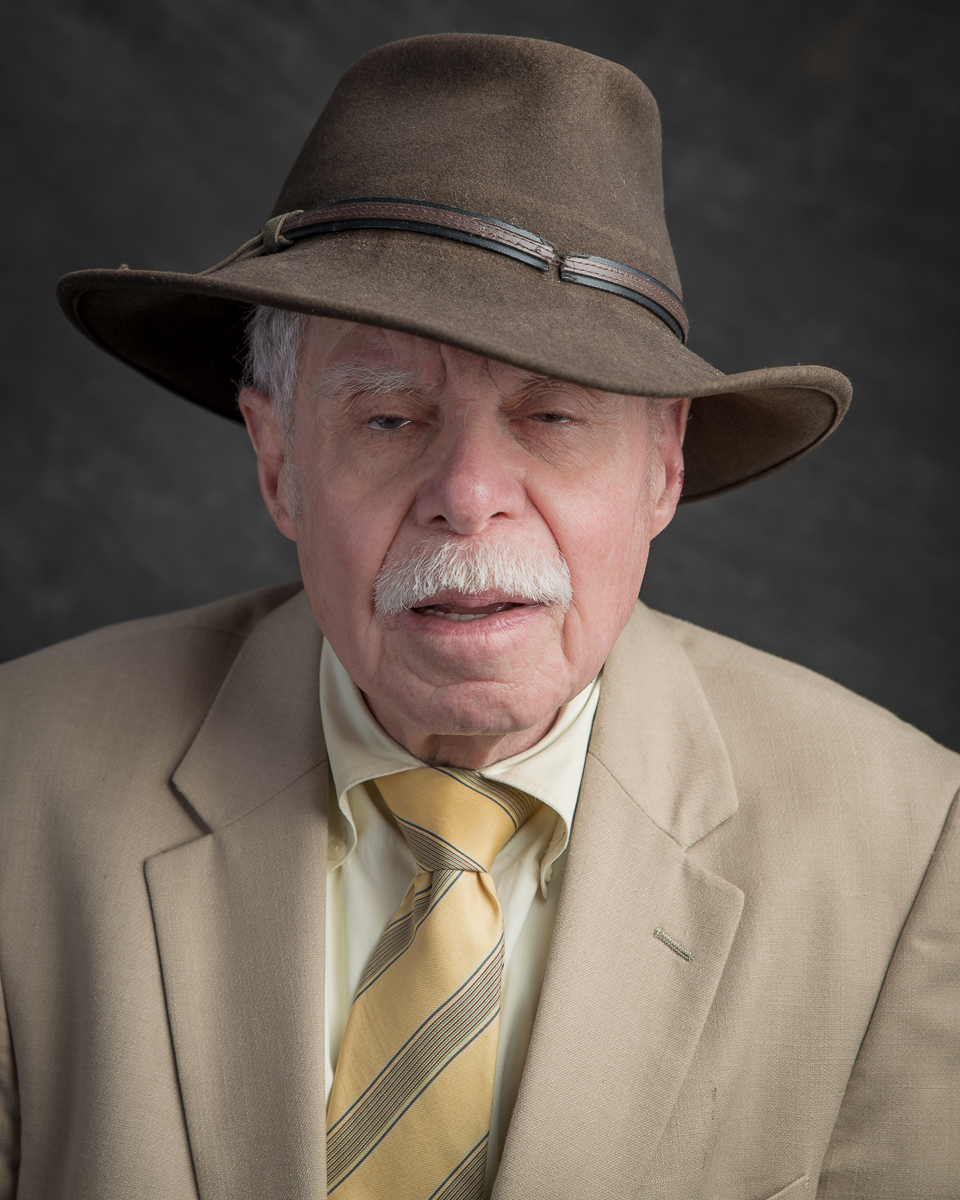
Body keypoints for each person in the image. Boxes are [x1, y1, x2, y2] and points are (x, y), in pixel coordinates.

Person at [1, 31, 957, 1200]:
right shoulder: (20, 779)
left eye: (552, 418)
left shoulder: (910, 847)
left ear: (662, 468)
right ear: (275, 461)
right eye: (391, 417)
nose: (466, 498)